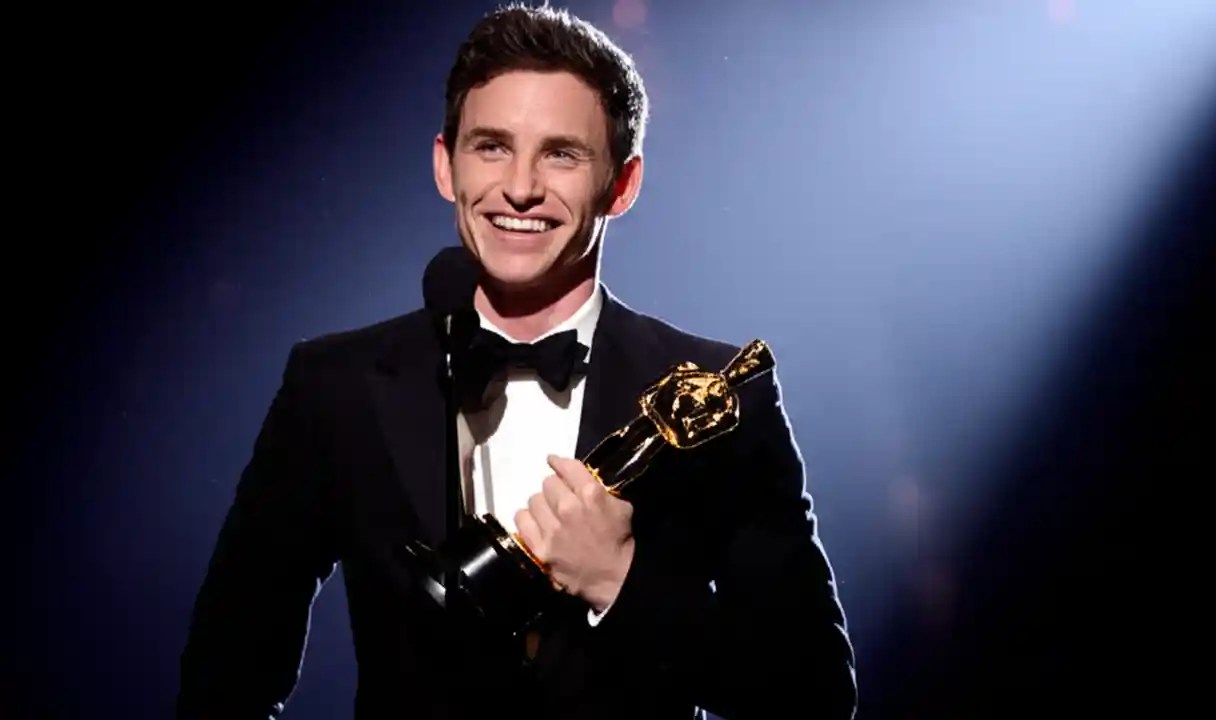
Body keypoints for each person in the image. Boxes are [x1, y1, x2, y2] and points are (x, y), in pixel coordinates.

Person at [177, 4, 856, 719]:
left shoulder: (713, 397)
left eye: (561, 153)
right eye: (492, 147)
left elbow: (815, 694)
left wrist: (620, 579)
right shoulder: (335, 386)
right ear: (446, 165)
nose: (521, 187)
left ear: (621, 185)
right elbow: (226, 674)